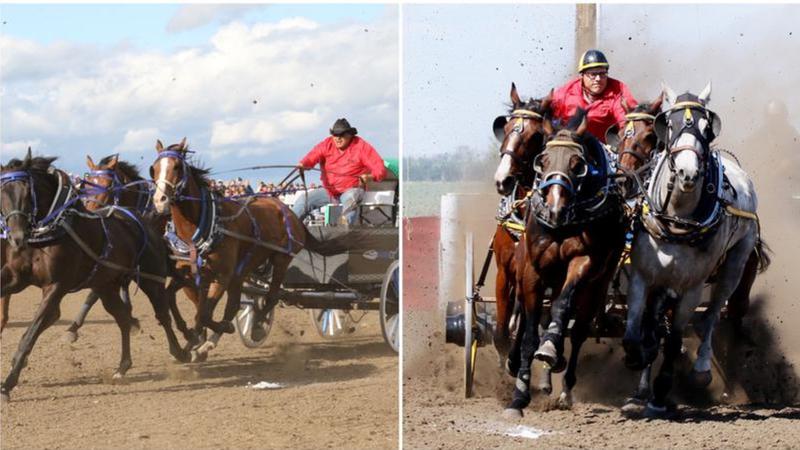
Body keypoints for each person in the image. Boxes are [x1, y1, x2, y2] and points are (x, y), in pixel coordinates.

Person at [293, 118, 387, 224]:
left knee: (351, 199)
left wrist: (369, 177)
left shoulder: (362, 146)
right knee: (303, 200)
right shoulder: (326, 144)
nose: (338, 138)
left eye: (341, 135)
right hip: (329, 191)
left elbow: (380, 169)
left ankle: (344, 231)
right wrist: (303, 164)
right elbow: (311, 157)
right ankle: (288, 231)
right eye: (335, 135)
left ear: (350, 135)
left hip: (351, 189)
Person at [550, 49, 638, 144]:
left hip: (605, 149)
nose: (598, 79)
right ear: (582, 75)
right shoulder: (564, 93)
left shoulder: (618, 90)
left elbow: (625, 122)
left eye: (602, 74)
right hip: (569, 145)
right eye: (593, 74)